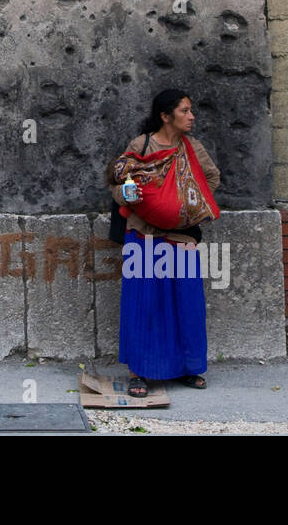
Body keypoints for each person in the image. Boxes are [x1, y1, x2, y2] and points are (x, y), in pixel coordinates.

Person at [106, 88, 221, 397]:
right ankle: (139, 372)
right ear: (165, 115)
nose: (191, 116)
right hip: (144, 235)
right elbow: (118, 183)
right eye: (184, 111)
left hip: (182, 236)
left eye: (190, 110)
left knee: (186, 303)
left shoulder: (192, 148)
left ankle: (187, 367)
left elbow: (212, 179)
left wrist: (186, 202)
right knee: (144, 304)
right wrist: (128, 195)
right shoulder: (140, 146)